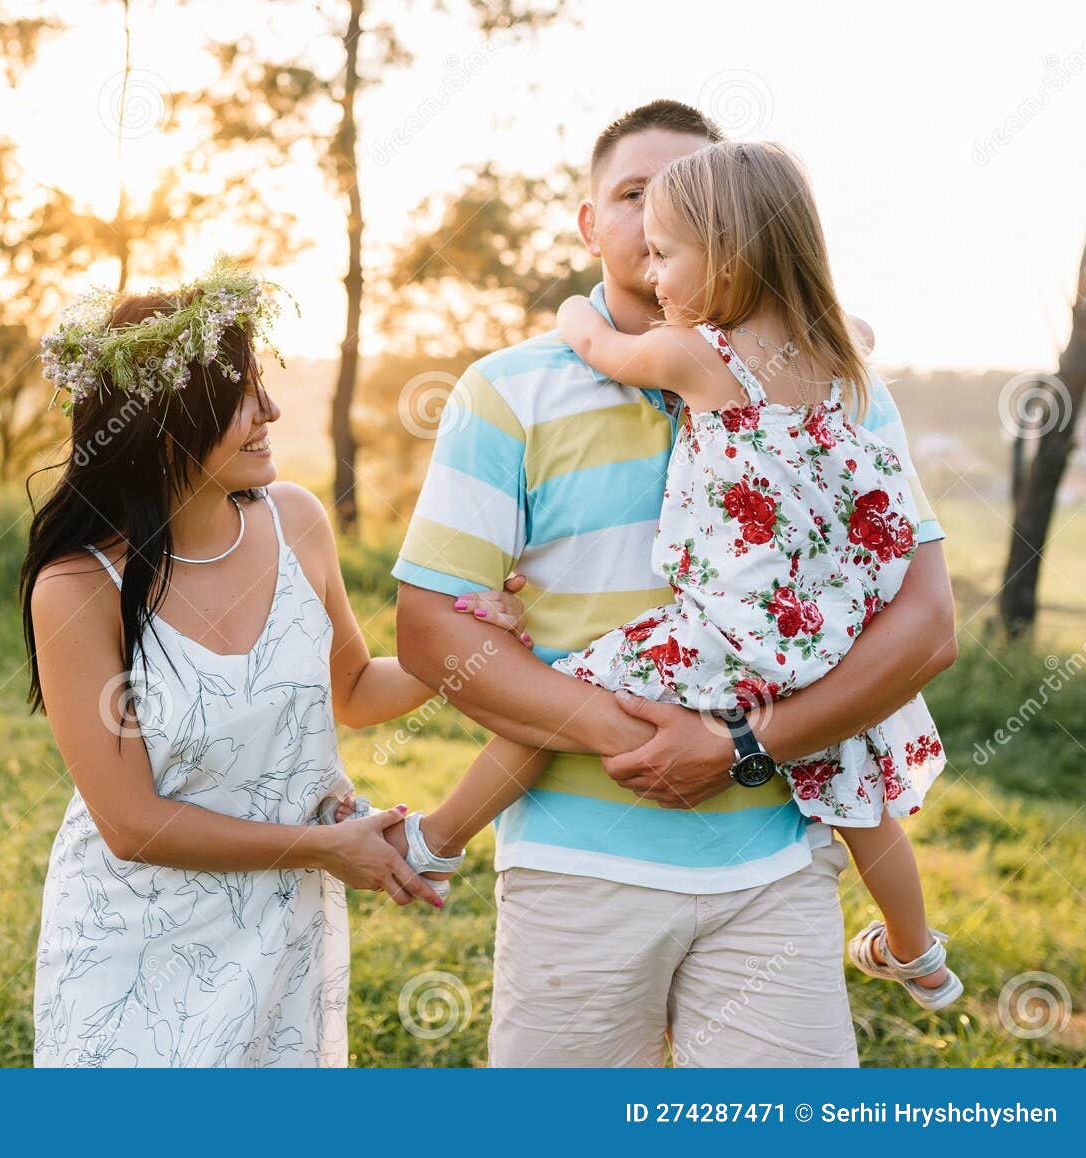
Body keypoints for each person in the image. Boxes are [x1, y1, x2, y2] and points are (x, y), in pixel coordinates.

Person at [390, 101, 958, 1066]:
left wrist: (733, 746)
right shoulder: (507, 392)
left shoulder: (844, 381)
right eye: (632, 196)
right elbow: (430, 635)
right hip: (579, 874)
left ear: (737, 241)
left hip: (774, 871)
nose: (656, 232)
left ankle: (436, 835)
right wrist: (648, 738)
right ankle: (916, 949)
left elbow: (929, 624)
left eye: (683, 206)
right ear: (590, 224)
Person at [21, 260, 527, 1067]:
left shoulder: (295, 522)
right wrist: (326, 849)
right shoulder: (79, 587)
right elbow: (129, 824)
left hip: (284, 930)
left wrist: (474, 636)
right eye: (241, 396)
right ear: (165, 422)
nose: (271, 411)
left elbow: (356, 690)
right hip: (135, 951)